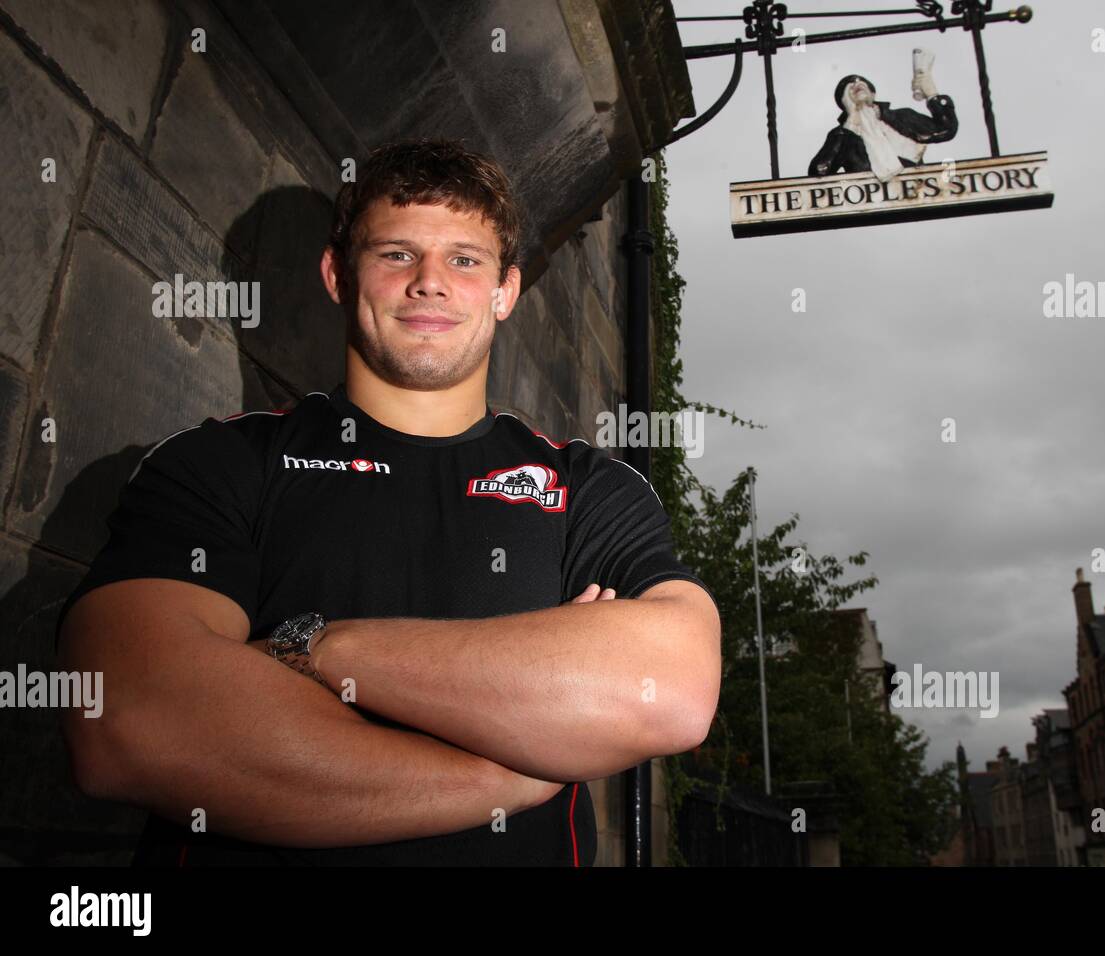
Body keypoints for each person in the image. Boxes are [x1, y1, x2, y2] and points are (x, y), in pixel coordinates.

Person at [54, 138, 722, 866]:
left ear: (505, 292)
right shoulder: (220, 463)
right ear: (338, 275)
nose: (430, 282)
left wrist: (311, 647)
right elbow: (128, 720)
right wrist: (515, 771)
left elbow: (673, 688)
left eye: (465, 260)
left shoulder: (588, 489)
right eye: (397, 253)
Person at [807, 51, 958, 181]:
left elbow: (945, 129)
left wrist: (931, 93)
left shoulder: (902, 117)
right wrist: (851, 122)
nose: (855, 84)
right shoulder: (843, 135)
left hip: (915, 192)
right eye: (849, 88)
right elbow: (820, 171)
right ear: (844, 102)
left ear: (873, 94)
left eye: (861, 83)